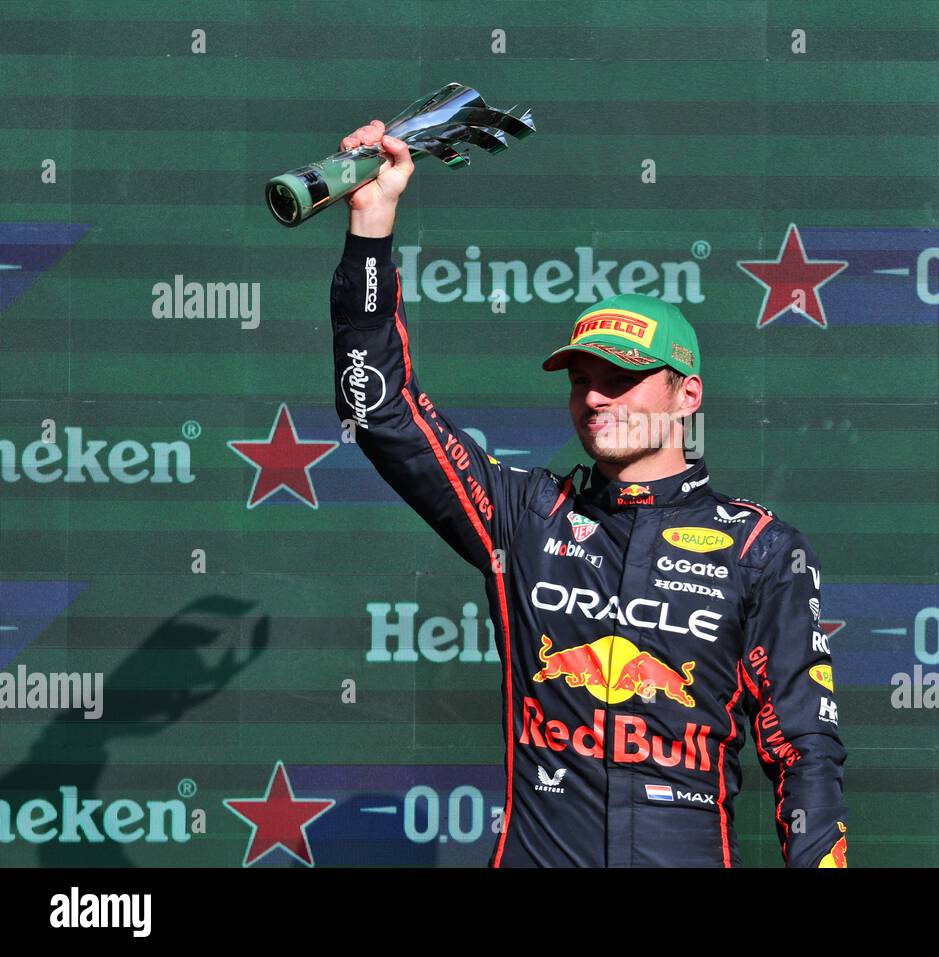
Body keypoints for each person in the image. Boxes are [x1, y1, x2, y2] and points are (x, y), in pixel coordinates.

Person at [328, 120, 848, 867]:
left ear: (686, 394)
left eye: (621, 377)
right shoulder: (527, 517)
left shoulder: (761, 549)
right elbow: (378, 410)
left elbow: (805, 750)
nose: (595, 397)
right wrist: (371, 227)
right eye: (581, 379)